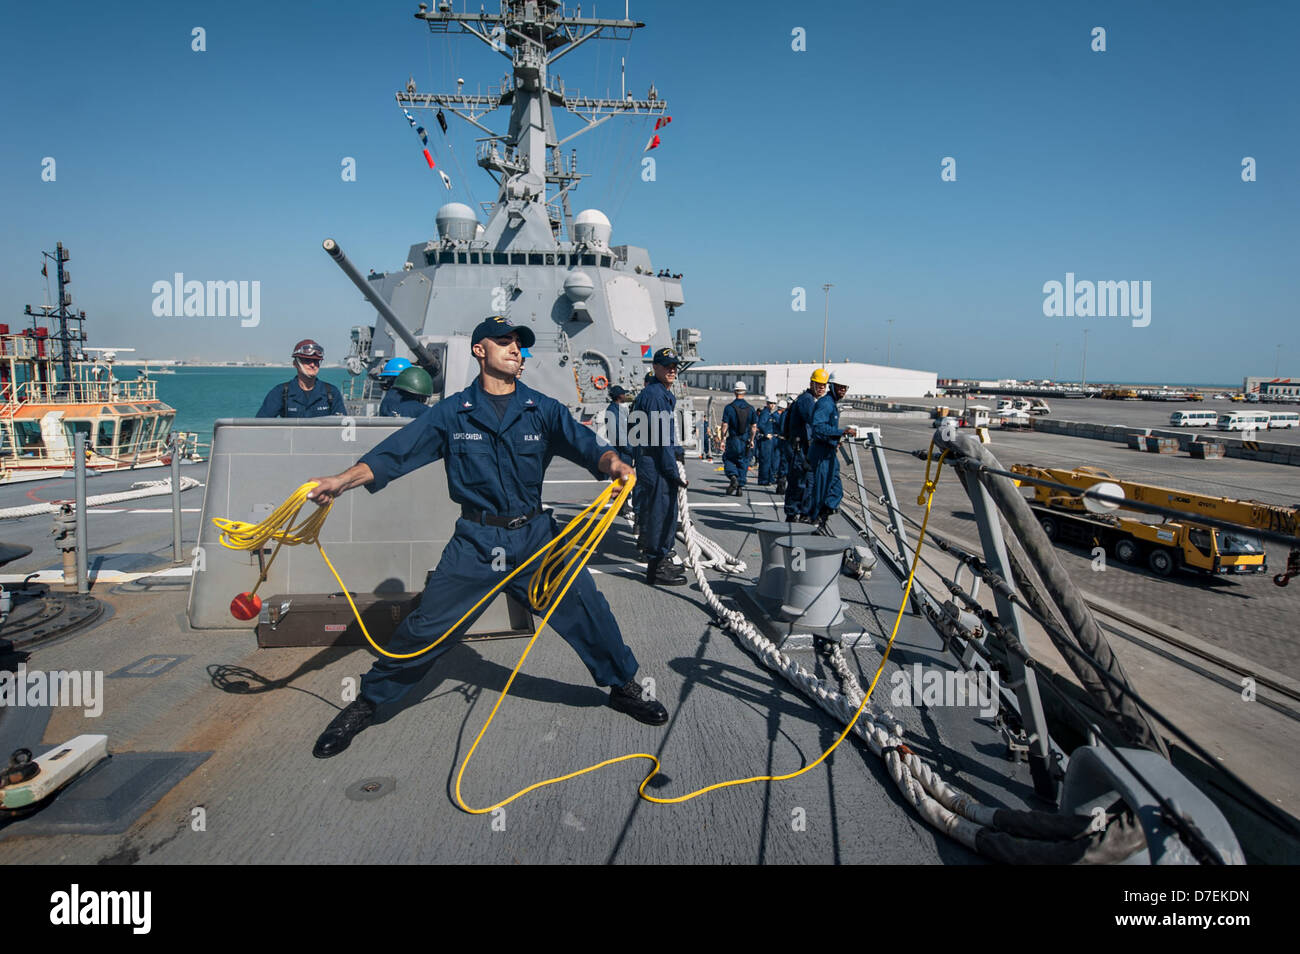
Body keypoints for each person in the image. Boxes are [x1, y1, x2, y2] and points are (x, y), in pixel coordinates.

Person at [306, 315, 668, 758]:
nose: (517, 350)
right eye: (505, 343)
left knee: (587, 608)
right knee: (425, 628)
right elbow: (396, 454)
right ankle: (367, 703)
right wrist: (341, 481)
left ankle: (623, 685)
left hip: (536, 537)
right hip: (477, 542)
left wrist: (614, 463)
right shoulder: (450, 413)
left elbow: (589, 446)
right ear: (480, 350)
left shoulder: (543, 408)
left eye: (519, 345)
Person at [630, 348, 688, 586]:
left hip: (651, 463)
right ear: (655, 367)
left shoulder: (656, 393)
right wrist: (673, 472)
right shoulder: (655, 396)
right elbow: (661, 439)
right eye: (666, 366)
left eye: (674, 366)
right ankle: (656, 568)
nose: (672, 370)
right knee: (660, 514)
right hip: (656, 466)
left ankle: (661, 559)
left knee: (662, 513)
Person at [806, 371, 857, 534]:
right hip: (821, 453)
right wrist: (841, 432)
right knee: (822, 489)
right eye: (840, 387)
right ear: (832, 386)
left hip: (828, 453)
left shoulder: (831, 404)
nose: (843, 391)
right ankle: (816, 521)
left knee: (835, 489)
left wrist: (837, 437)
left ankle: (822, 517)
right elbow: (818, 427)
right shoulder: (826, 404)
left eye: (845, 388)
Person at [256, 339, 346, 418]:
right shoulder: (281, 393)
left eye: (316, 361)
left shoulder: (331, 393)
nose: (312, 365)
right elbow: (261, 425)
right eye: (307, 360)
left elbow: (341, 427)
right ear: (295, 364)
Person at [783, 370, 828, 522]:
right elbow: (814, 420)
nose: (821, 388)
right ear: (811, 384)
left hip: (806, 449)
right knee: (799, 483)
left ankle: (803, 513)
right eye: (819, 385)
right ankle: (794, 514)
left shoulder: (808, 400)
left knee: (807, 483)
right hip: (800, 449)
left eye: (824, 385)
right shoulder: (806, 400)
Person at [720, 382, 756, 496]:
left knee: (728, 459)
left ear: (735, 391)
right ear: (744, 392)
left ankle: (733, 476)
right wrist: (751, 440)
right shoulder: (751, 409)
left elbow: (724, 425)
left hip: (733, 440)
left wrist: (722, 439)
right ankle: (740, 487)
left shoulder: (729, 408)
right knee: (743, 462)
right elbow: (754, 428)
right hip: (745, 440)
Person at [603, 385, 634, 467]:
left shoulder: (619, 409)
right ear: (620, 396)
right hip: (621, 453)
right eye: (624, 394)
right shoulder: (613, 411)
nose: (625, 396)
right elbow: (619, 434)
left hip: (625, 451)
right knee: (623, 477)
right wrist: (632, 451)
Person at [755, 397, 779, 485]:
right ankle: (763, 480)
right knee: (765, 460)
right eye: (771, 403)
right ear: (767, 403)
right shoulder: (765, 413)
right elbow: (760, 424)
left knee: (769, 460)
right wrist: (766, 433)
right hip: (765, 440)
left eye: (774, 403)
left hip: (769, 440)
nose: (772, 405)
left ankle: (768, 479)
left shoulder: (769, 413)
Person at [773, 398, 789, 494]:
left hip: (782, 440)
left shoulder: (783, 414)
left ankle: (781, 481)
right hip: (785, 441)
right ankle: (781, 482)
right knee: (784, 463)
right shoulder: (786, 414)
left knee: (781, 462)